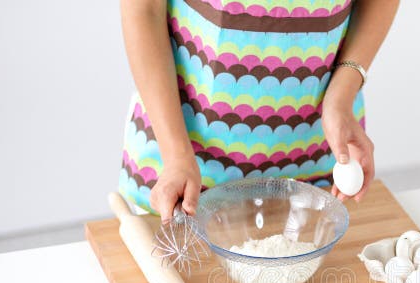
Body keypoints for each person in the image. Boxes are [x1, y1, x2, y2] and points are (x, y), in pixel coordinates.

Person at [120, 0, 398, 222]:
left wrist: (341, 97)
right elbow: (144, 9)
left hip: (316, 164)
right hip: (181, 171)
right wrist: (176, 156)